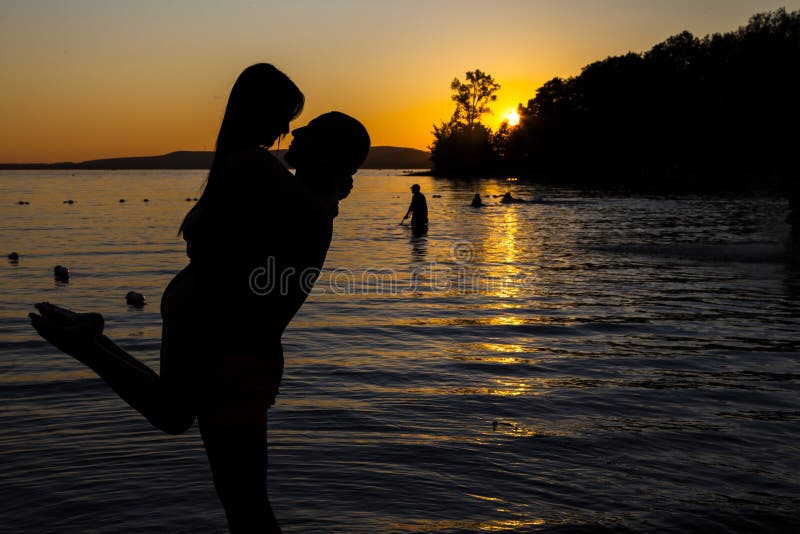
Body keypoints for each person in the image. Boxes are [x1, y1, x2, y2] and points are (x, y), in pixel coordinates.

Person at [29, 60, 369, 532]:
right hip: (228, 351)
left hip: (233, 355)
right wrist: (335, 192)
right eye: (291, 119)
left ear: (328, 152)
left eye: (308, 128)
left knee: (227, 483)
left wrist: (332, 192)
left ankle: (90, 343)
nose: (294, 132)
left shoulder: (278, 185)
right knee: (244, 503)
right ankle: (90, 343)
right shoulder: (277, 183)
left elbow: (263, 244)